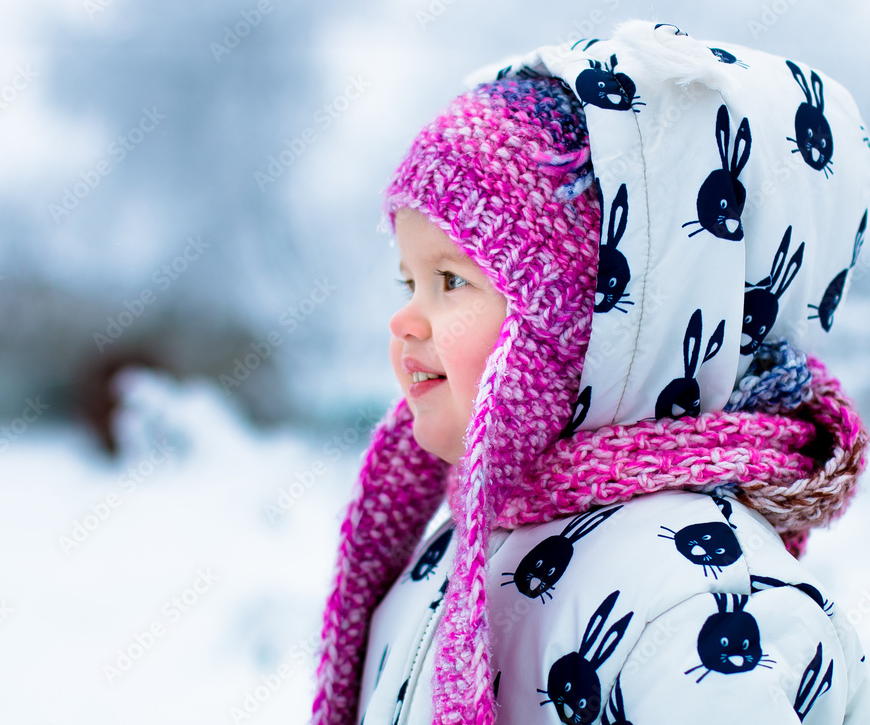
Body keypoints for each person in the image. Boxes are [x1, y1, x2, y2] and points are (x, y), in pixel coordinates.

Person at [312, 20, 870, 725]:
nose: (407, 321)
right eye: (408, 283)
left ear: (601, 327)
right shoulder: (453, 554)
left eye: (451, 282)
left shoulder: (704, 604)